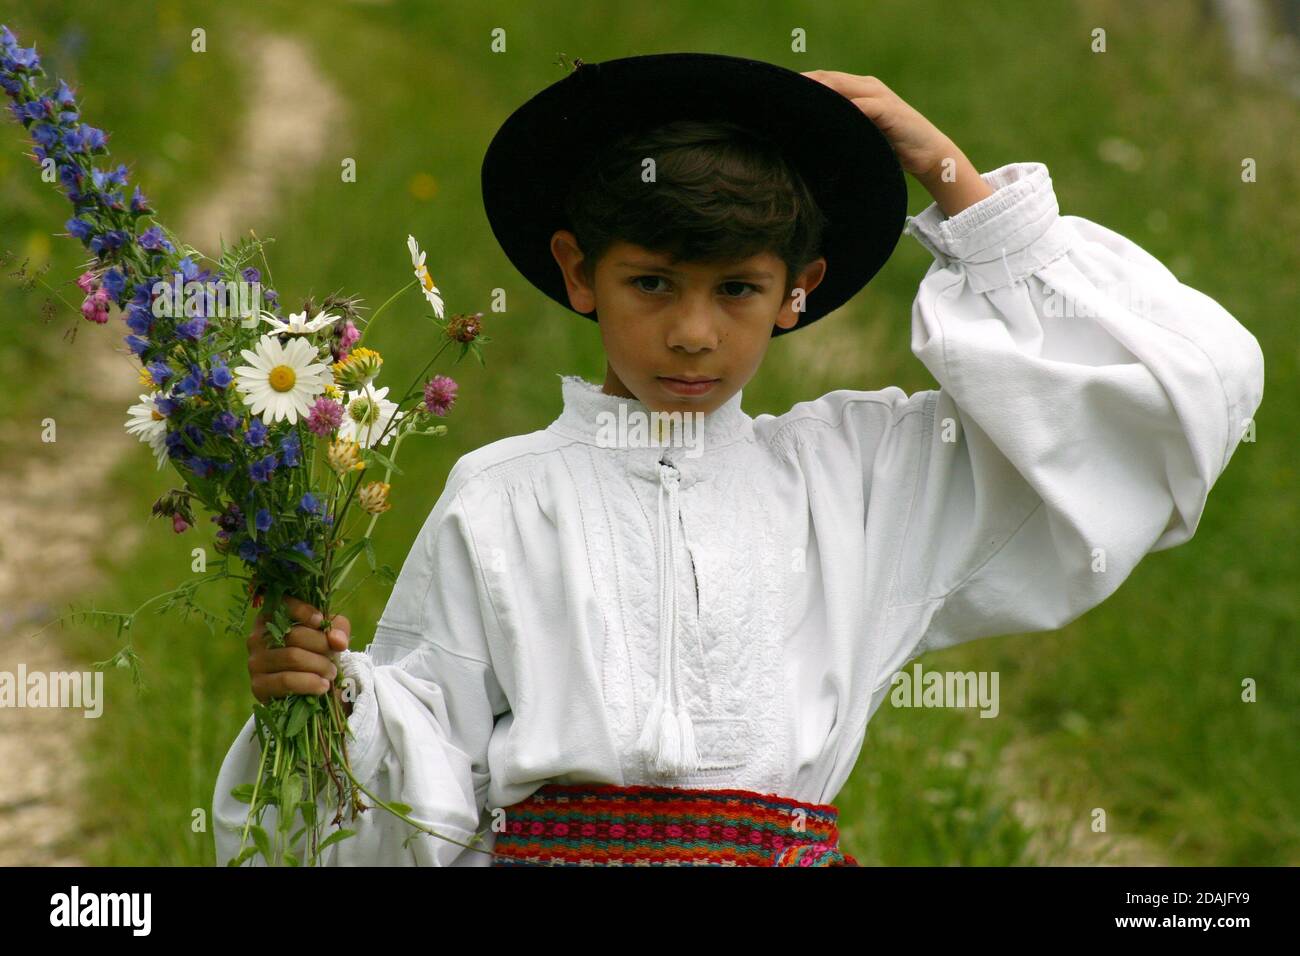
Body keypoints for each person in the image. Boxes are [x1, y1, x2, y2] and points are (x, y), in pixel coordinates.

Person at [213, 54, 1265, 866]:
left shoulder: (859, 478)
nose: (692, 335)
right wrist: (331, 697)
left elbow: (1158, 413)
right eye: (654, 284)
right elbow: (427, 761)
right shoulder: (503, 493)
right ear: (578, 273)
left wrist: (952, 177)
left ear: (796, 288)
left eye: (737, 290)